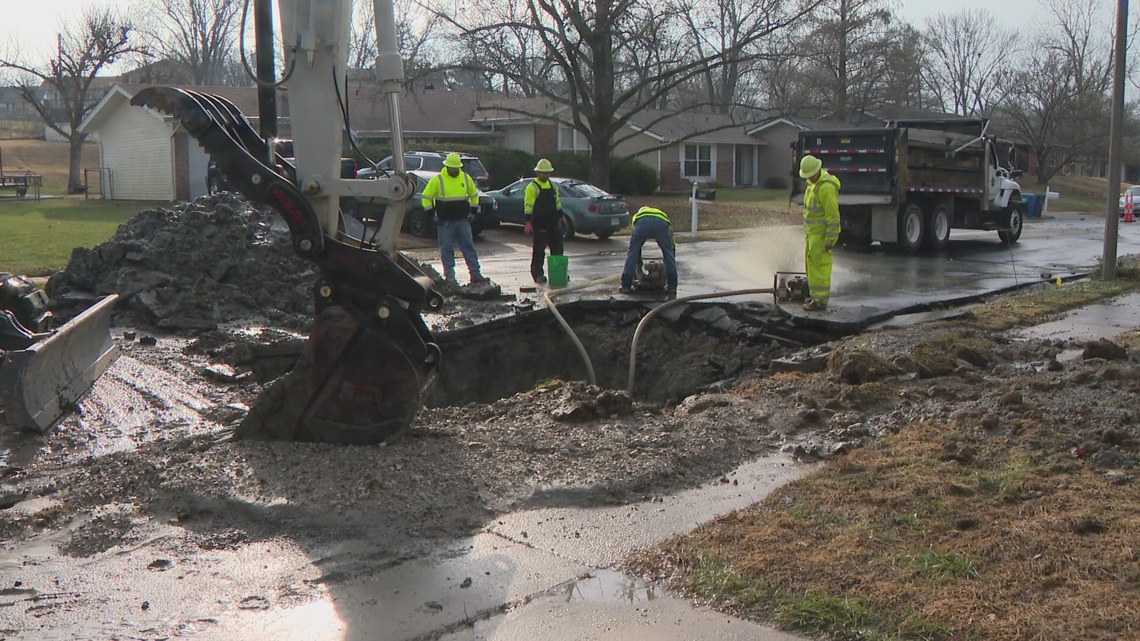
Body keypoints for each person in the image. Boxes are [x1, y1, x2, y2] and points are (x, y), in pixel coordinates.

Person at [421, 153, 489, 286]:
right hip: (444, 222)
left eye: (456, 167)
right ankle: (450, 277)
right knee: (446, 249)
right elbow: (426, 197)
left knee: (468, 247)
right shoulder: (438, 180)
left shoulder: (465, 178)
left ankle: (475, 274)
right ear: (446, 166)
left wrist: (473, 212)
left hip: (462, 220)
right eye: (452, 167)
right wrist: (432, 215)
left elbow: (474, 195)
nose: (454, 170)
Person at [798, 154, 841, 311]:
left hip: (821, 237)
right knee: (812, 267)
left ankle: (820, 301)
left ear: (817, 171)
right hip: (812, 235)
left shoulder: (826, 187)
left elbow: (833, 216)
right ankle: (814, 296)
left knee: (820, 268)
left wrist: (830, 239)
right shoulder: (813, 185)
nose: (809, 178)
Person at [620, 206, 677, 295]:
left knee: (632, 252)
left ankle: (626, 286)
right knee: (668, 253)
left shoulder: (637, 216)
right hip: (661, 223)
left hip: (642, 223)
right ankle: (672, 287)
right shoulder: (662, 214)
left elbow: (635, 248)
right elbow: (671, 242)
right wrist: (671, 253)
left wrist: (638, 267)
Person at [523, 158, 564, 284]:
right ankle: (537, 274)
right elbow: (528, 205)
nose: (545, 175)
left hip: (553, 222)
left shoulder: (553, 186)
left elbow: (557, 203)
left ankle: (558, 274)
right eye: (543, 173)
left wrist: (561, 216)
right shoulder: (532, 187)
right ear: (538, 173)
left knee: (558, 249)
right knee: (539, 251)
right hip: (539, 224)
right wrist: (528, 222)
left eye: (547, 173)